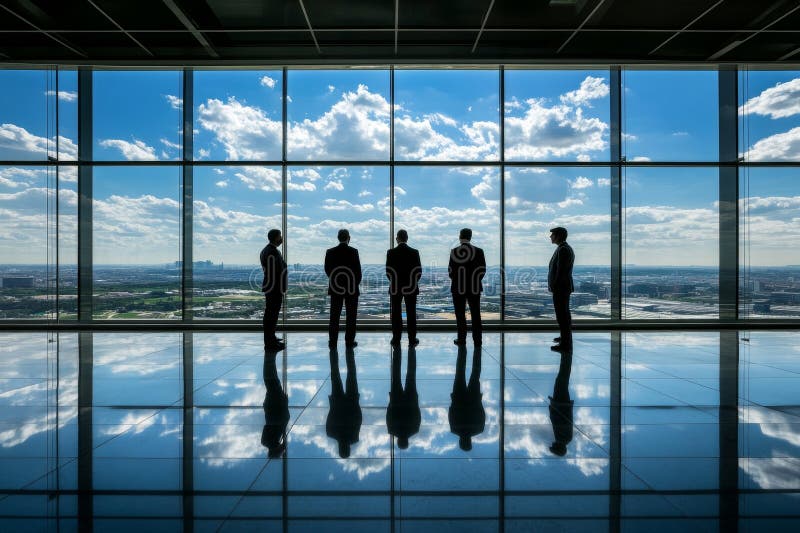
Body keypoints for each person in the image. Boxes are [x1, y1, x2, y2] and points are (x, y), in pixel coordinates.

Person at [324, 229, 362, 348]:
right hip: (351, 289)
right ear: (348, 238)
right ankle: (349, 341)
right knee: (351, 316)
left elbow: (328, 270)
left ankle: (332, 342)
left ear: (338, 238)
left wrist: (335, 281)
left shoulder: (330, 252)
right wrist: (353, 284)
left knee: (334, 316)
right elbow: (358, 272)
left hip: (336, 288)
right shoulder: (353, 251)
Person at [448, 228, 486, 346]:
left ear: (460, 237)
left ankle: (462, 339)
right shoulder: (479, 251)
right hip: (474, 288)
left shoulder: (454, 251)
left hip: (458, 288)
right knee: (476, 314)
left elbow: (451, 271)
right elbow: (482, 270)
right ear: (470, 237)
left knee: (460, 315)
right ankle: (477, 340)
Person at [386, 229, 422, 346]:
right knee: (411, 313)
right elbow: (418, 271)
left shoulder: (391, 252)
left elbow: (388, 272)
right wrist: (413, 283)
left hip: (396, 287)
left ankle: (396, 338)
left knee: (396, 313)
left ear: (397, 239)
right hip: (411, 287)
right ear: (407, 238)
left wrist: (394, 282)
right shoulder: (414, 252)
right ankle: (412, 338)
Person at [326, 347, 362, 459]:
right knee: (335, 375)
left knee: (351, 374)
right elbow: (330, 416)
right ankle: (334, 351)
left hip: (352, 401)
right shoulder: (331, 433)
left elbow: (358, 419)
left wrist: (356, 404)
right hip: (337, 402)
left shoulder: (354, 437)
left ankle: (349, 351)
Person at [448, 345, 485, 451]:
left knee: (475, 373)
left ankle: (477, 349)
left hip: (474, 399)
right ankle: (462, 348)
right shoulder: (454, 429)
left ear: (470, 442)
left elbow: (482, 414)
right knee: (459, 371)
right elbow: (451, 413)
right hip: (458, 397)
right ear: (460, 442)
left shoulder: (479, 429)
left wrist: (478, 402)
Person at [386, 345, 421, 450]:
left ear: (407, 442)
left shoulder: (414, 429)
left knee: (411, 373)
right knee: (396, 374)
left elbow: (417, 414)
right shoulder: (392, 430)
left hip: (411, 400)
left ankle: (411, 349)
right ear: (398, 441)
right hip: (396, 400)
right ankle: (397, 350)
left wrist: (415, 402)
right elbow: (389, 415)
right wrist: (391, 402)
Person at [548, 226, 575, 352]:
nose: (550, 237)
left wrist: (554, 285)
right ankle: (565, 338)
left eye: (552, 234)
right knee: (564, 315)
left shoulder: (563, 250)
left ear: (558, 236)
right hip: (563, 287)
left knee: (562, 316)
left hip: (561, 288)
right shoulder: (564, 248)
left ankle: (565, 343)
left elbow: (560, 271)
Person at [260, 228, 287, 350]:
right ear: (275, 238)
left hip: (272, 287)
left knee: (271, 314)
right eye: (280, 236)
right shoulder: (272, 252)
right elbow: (274, 271)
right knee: (272, 315)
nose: (281, 238)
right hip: (274, 288)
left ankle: (271, 338)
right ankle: (270, 342)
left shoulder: (267, 250)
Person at [261, 348, 289, 458]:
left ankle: (270, 355)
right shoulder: (269, 441)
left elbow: (280, 420)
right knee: (272, 381)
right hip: (272, 406)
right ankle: (270, 356)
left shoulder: (272, 440)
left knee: (271, 380)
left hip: (276, 406)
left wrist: (284, 404)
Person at [548, 350, 574, 456]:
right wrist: (552, 407)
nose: (552, 444)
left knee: (563, 378)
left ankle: (565, 355)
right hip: (560, 404)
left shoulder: (567, 439)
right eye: (553, 447)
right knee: (562, 378)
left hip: (564, 404)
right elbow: (557, 420)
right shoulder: (560, 438)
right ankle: (566, 354)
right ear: (558, 448)